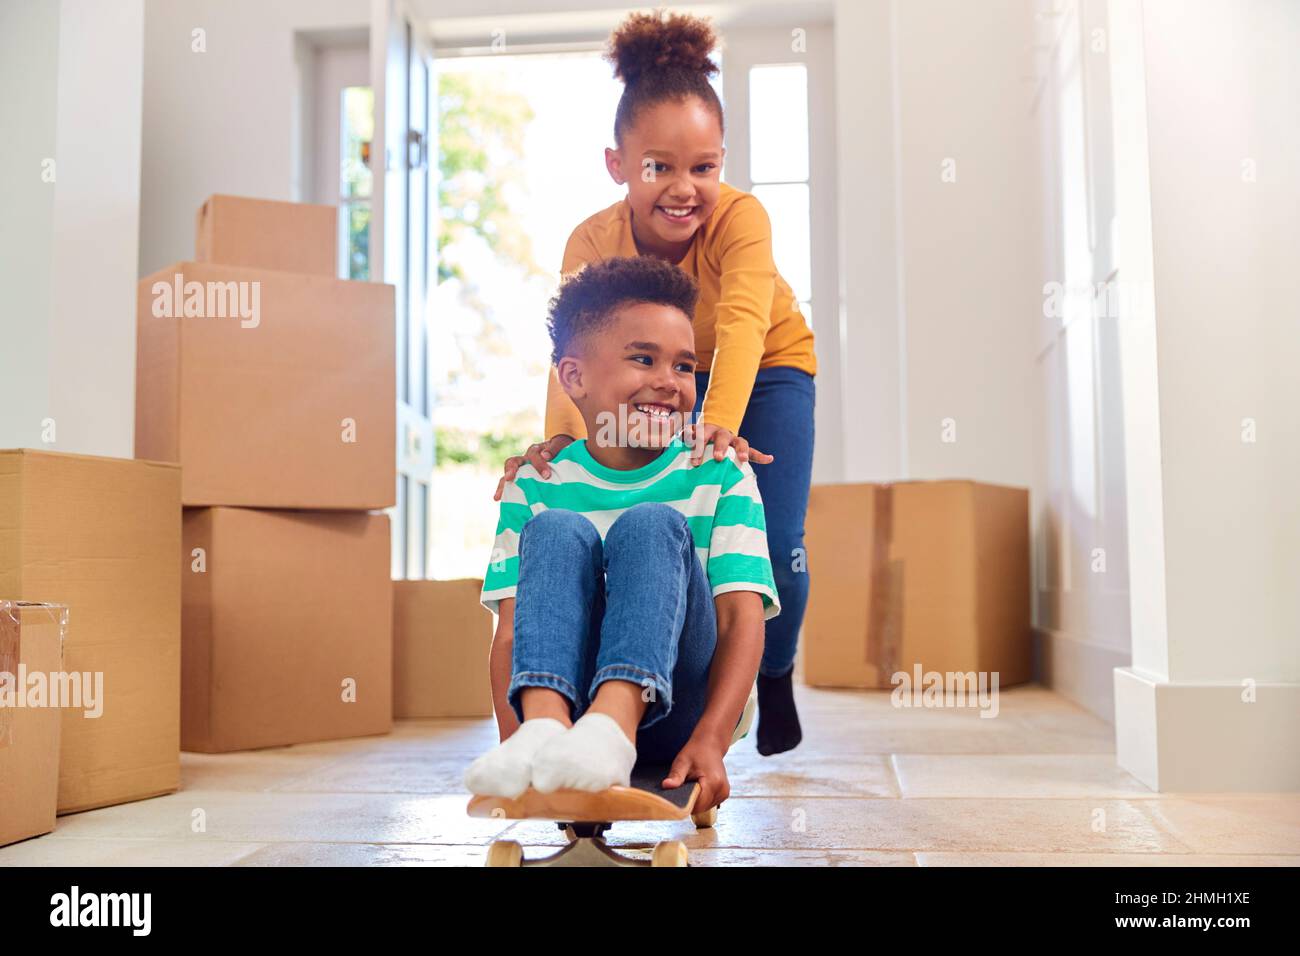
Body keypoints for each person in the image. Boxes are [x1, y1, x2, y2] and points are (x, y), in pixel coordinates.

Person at [494, 10, 815, 754]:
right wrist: (559, 445)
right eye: (658, 167)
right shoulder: (591, 239)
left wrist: (720, 425)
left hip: (766, 367)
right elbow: (575, 357)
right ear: (618, 165)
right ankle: (637, 679)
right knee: (644, 515)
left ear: (722, 164)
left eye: (703, 167)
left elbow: (739, 327)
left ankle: (774, 666)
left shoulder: (743, 218)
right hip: (660, 375)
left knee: (777, 539)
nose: (684, 188)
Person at [465, 257, 779, 812]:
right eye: (643, 359)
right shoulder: (537, 483)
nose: (669, 382)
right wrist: (515, 742)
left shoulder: (719, 471)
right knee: (556, 529)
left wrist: (710, 740)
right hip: (566, 713)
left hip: (676, 712)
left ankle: (615, 726)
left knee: (651, 524)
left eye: (685, 366)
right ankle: (545, 728)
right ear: (574, 378)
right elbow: (512, 633)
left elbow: (739, 617)